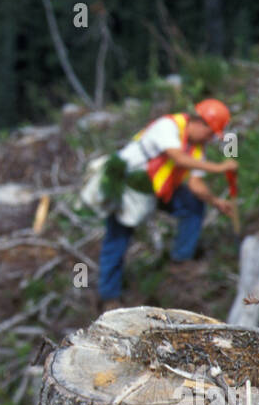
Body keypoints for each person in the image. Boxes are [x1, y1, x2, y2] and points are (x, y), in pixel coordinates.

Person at [97, 99, 238, 310]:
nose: (209, 138)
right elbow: (178, 158)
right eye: (210, 133)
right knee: (117, 238)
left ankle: (181, 261)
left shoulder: (198, 148)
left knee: (193, 205)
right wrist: (219, 167)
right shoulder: (168, 126)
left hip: (159, 190)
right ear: (199, 123)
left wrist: (216, 201)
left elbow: (195, 183)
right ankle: (109, 298)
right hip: (131, 187)